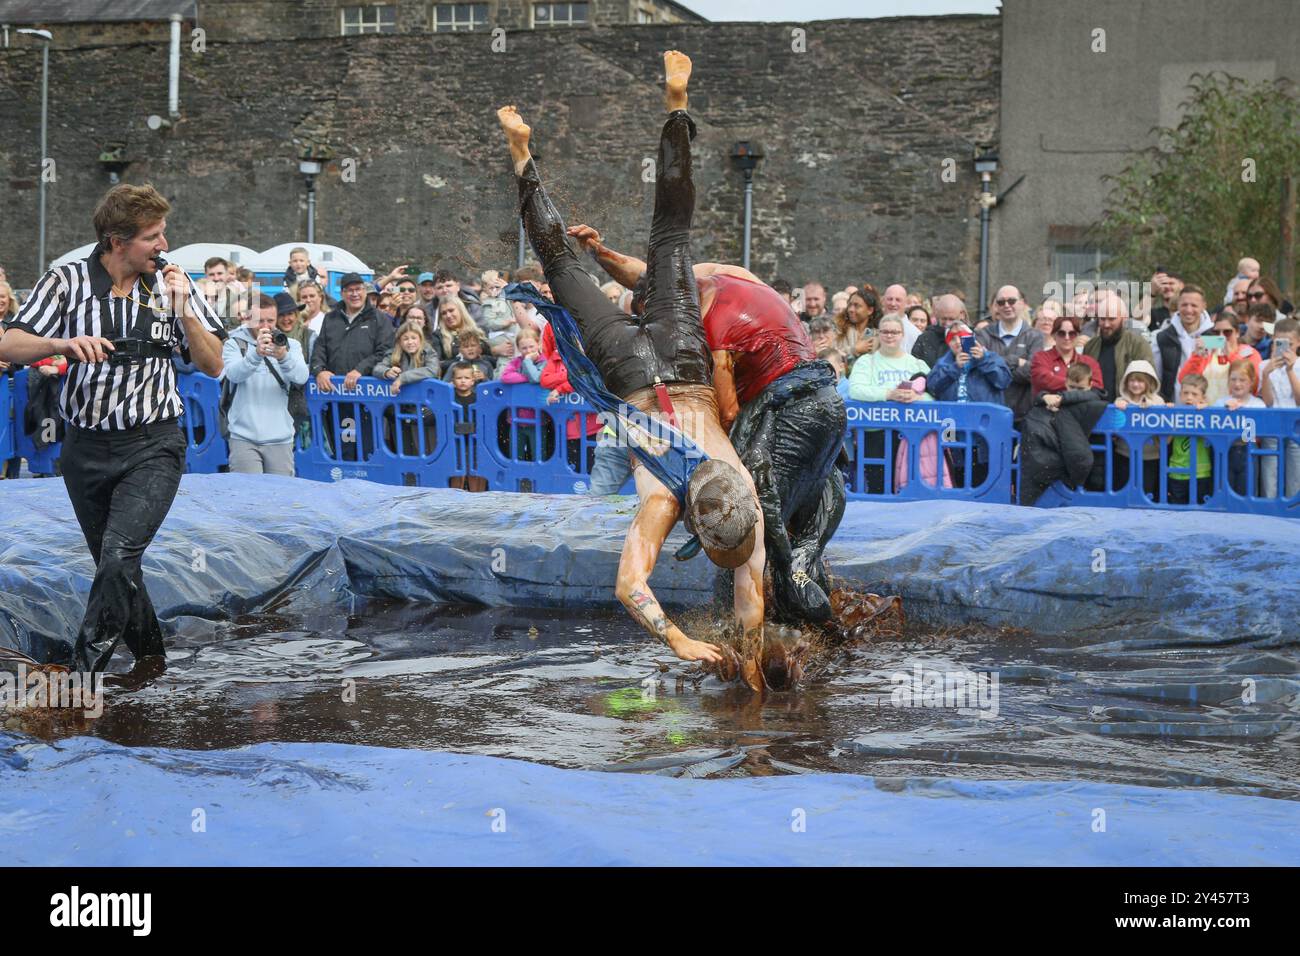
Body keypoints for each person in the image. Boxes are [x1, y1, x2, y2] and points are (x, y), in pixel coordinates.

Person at [498, 51, 767, 687]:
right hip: (640, 375)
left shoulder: (721, 495)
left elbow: (632, 586)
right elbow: (640, 588)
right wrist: (688, 642)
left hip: (676, 361)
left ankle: (675, 109)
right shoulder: (721, 502)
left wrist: (687, 639)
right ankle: (523, 158)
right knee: (563, 268)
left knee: (670, 235)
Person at [0, 182, 226, 674]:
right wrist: (60, 345)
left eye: (163, 234)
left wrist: (185, 308)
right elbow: (8, 344)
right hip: (85, 450)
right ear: (117, 242)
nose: (164, 245)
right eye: (153, 237)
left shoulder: (171, 282)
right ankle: (152, 662)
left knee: (120, 555)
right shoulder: (66, 281)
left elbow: (213, 364)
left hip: (154, 444)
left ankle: (81, 678)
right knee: (117, 566)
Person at [571, 231, 847, 625]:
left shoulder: (714, 334)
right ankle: (807, 611)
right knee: (801, 514)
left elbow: (730, 412)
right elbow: (644, 275)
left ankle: (741, 631)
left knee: (738, 527)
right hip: (827, 402)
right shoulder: (718, 275)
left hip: (789, 413)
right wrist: (598, 252)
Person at [309, 272, 394, 461]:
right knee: (343, 451)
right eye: (349, 290)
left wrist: (360, 370)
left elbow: (385, 352)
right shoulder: (331, 318)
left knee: (368, 451)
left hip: (368, 398)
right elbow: (319, 348)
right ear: (342, 293)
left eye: (358, 289)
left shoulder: (379, 319)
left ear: (365, 291)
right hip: (336, 397)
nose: (354, 294)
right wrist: (319, 371)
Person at [222, 293, 308, 476]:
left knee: (280, 499)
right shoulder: (234, 343)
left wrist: (283, 357)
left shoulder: (290, 345)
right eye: (260, 321)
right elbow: (233, 374)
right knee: (247, 498)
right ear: (247, 318)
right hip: (243, 437)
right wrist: (255, 354)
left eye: (271, 320)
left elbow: (301, 377)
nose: (266, 326)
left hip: (281, 438)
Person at [1019, 363, 1108, 505]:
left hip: (1086, 465)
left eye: (1080, 389)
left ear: (1091, 384)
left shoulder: (1091, 399)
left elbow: (1094, 395)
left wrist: (1061, 399)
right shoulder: (1053, 400)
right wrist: (1045, 397)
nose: (1074, 392)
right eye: (1072, 387)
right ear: (1066, 382)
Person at [1177, 308, 1261, 405]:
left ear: (1237, 333)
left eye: (1227, 332)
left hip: (1235, 409)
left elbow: (1255, 385)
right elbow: (1184, 381)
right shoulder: (1207, 353)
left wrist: (1231, 356)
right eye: (1216, 333)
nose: (1222, 337)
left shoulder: (1249, 353)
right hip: (1206, 410)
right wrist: (1197, 356)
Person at [1081, 289, 1154, 402]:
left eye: (1112, 319)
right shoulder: (1090, 346)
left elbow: (1149, 382)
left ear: (1124, 318)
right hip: (1094, 410)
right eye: (1102, 319)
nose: (1106, 324)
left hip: (1128, 410)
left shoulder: (1138, 344)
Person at [1260, 317, 1300, 498]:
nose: (1285, 348)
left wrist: (1291, 370)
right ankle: (1269, 509)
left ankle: (1293, 510)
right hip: (1272, 424)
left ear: (1298, 343)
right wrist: (1266, 374)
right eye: (1279, 343)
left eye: (1289, 344)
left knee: (1295, 475)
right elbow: (1267, 402)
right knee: (1270, 473)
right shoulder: (1264, 366)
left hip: (1296, 425)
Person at [1031, 314, 1102, 400]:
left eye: (1072, 333)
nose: (1067, 337)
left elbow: (1097, 388)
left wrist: (1057, 380)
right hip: (1047, 411)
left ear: (1078, 336)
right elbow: (1043, 381)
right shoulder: (1041, 357)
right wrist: (1081, 386)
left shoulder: (1089, 362)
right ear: (1053, 335)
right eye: (1061, 333)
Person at [1166, 373, 1212, 505]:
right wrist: (1169, 417)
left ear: (1203, 397)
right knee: (1177, 509)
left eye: (1194, 394)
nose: (1189, 397)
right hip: (1177, 472)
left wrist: (1206, 412)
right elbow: (1166, 441)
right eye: (1185, 393)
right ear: (1179, 395)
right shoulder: (1175, 413)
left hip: (1201, 473)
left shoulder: (1208, 413)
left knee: (1199, 511)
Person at [913, 293, 965, 369]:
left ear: (961, 315)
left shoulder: (971, 337)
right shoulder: (925, 339)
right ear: (937, 314)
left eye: (951, 319)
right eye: (944, 319)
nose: (948, 324)